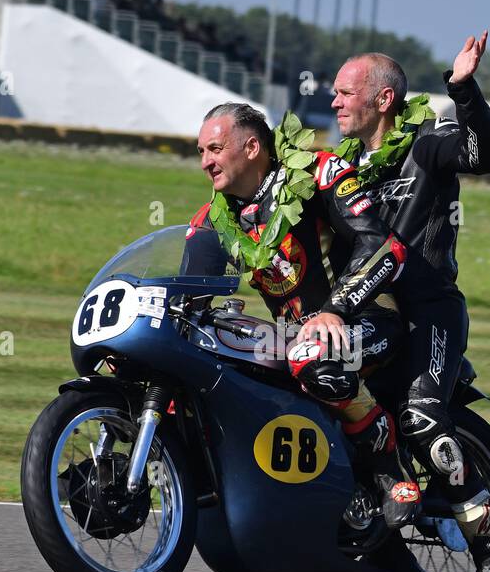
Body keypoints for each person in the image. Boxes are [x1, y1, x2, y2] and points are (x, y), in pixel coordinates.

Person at [330, 33, 490, 572]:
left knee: (422, 421)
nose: (334, 102)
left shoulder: (427, 145)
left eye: (345, 93)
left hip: (427, 313)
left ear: (382, 100)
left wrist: (462, 89)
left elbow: (488, 155)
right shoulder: (338, 168)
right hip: (367, 312)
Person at [180, 103, 420, 529]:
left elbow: (385, 247)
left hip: (366, 318)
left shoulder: (317, 174)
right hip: (292, 337)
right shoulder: (215, 218)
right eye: (201, 152)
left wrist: (334, 311)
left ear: (252, 146)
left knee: (311, 354)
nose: (205, 163)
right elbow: (188, 301)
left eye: (214, 149)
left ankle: (390, 470)